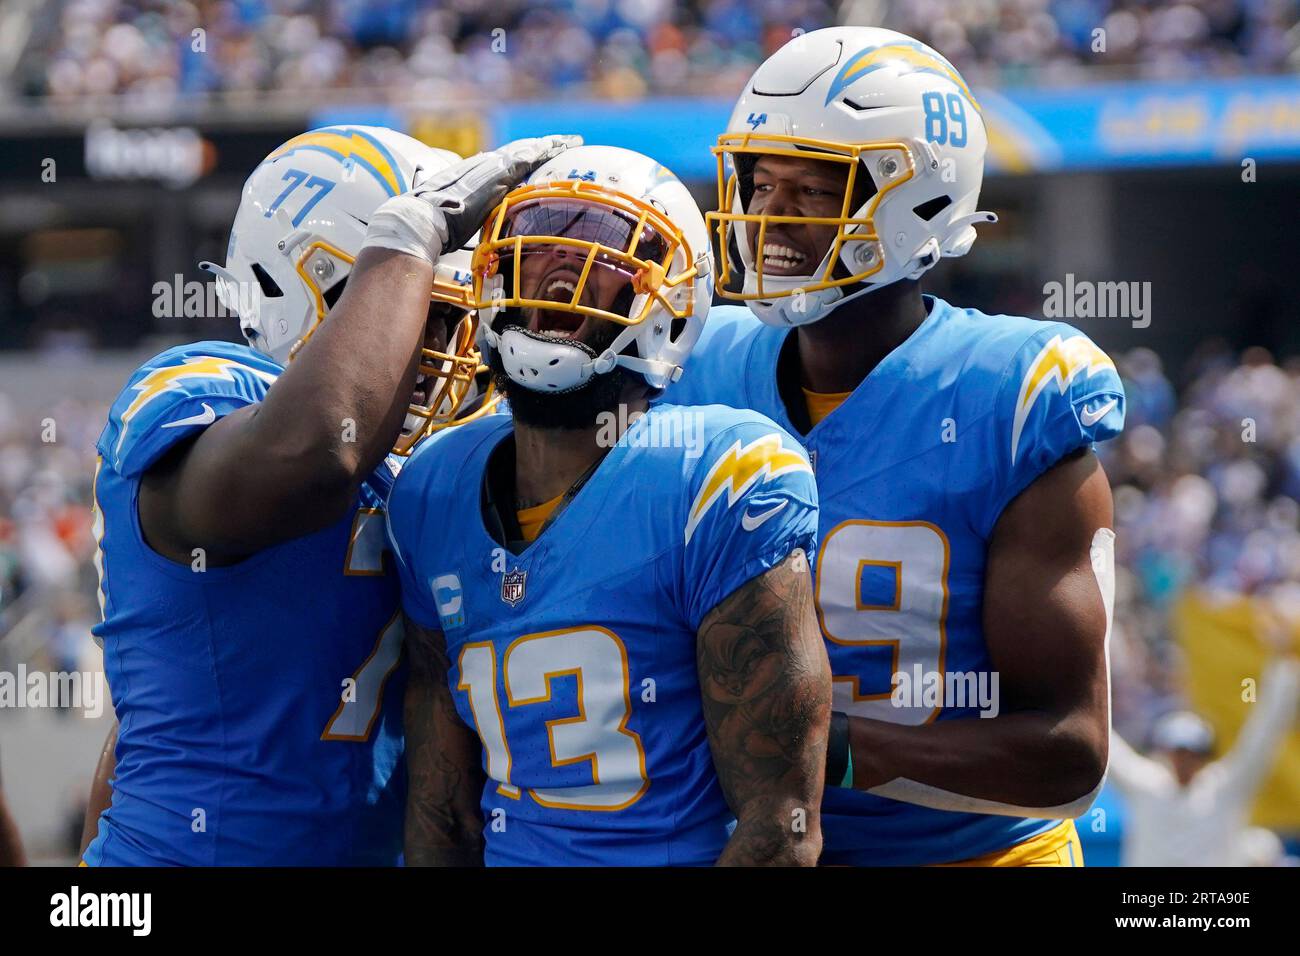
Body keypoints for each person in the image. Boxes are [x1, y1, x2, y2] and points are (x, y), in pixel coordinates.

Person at [667, 26, 1125, 865]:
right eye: (759, 181)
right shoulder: (701, 365)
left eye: (812, 189)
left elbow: (1069, 755)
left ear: (916, 200)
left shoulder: (1010, 399)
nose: (768, 215)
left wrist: (825, 745)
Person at [81, 125, 577, 865]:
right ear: (297, 287)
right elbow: (315, 453)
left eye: (453, 316)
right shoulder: (198, 391)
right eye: (423, 309)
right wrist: (410, 237)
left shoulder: (439, 464)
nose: (447, 346)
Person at [387, 145, 833, 866]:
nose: (565, 266)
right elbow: (443, 814)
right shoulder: (433, 485)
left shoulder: (714, 480)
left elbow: (780, 827)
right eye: (544, 235)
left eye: (607, 248)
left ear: (671, 304)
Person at [1108, 611, 1300, 866]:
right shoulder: (1146, 785)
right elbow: (1108, 749)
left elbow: (1262, 736)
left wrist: (1284, 667)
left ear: (1204, 756)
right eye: (1178, 751)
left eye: (1191, 752)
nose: (1184, 760)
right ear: (1166, 753)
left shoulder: (1224, 788)